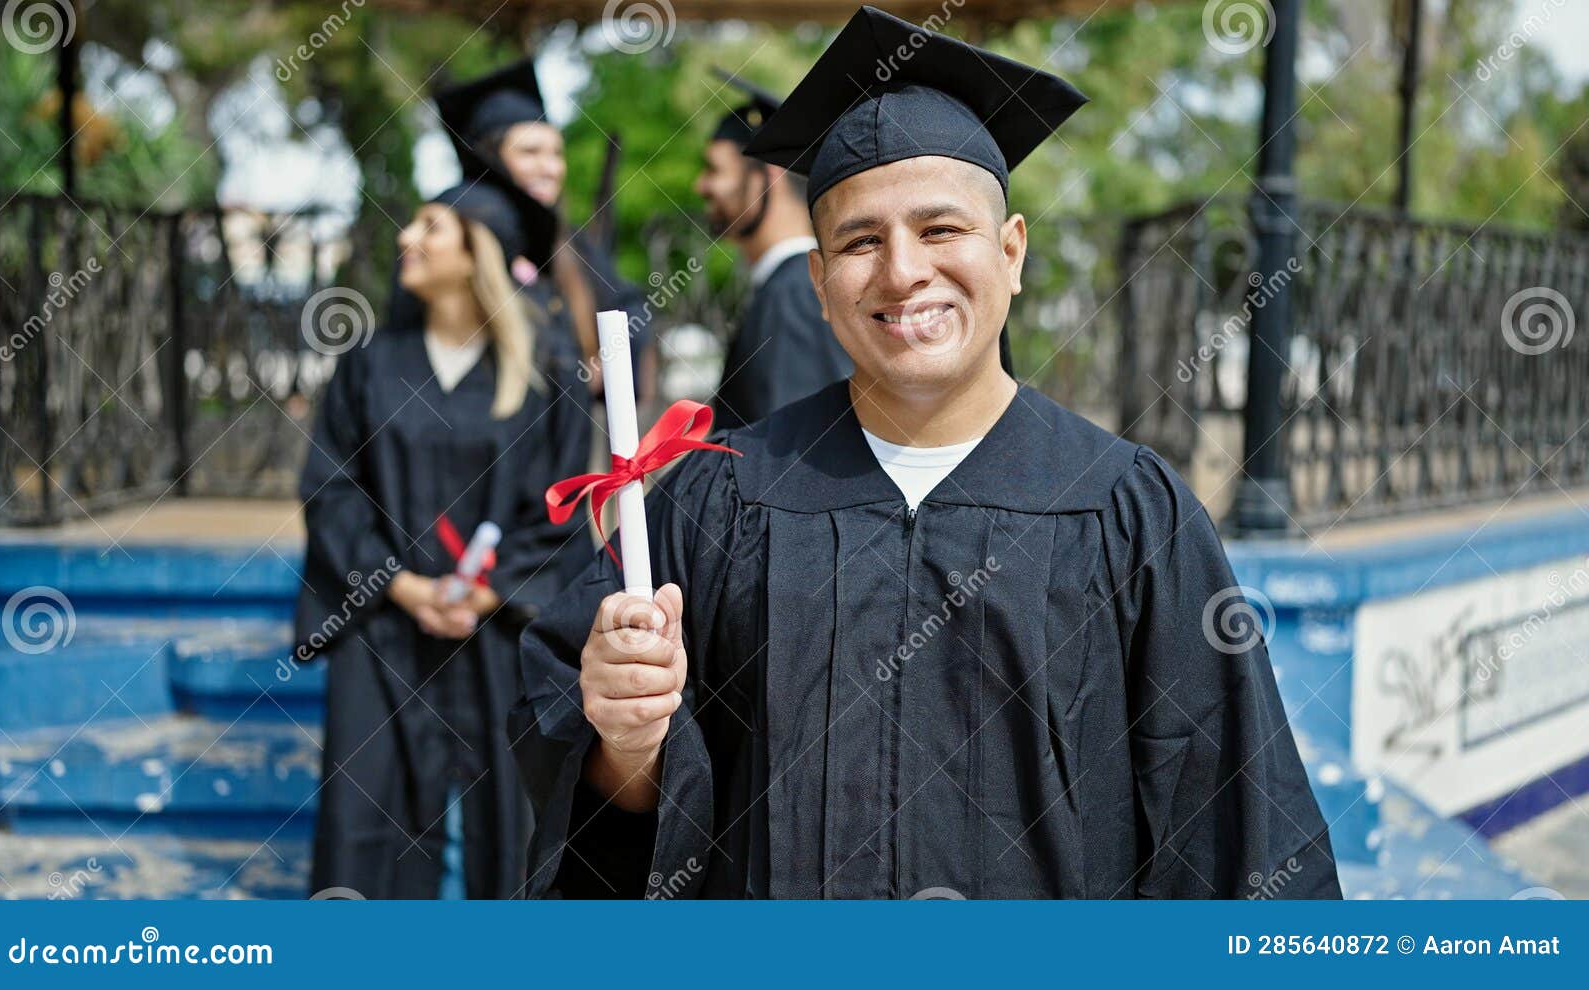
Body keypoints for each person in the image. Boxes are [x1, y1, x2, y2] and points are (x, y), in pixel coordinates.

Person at [509, 6, 1340, 900]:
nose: (903, 271)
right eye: (861, 241)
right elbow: (604, 815)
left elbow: (1231, 829)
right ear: (822, 284)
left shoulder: (1129, 513)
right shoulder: (717, 500)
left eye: (941, 230)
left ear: (1012, 251)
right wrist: (625, 745)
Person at [299, 177, 593, 899]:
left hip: (498, 633)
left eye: (429, 226)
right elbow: (332, 490)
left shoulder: (544, 372)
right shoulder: (369, 364)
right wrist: (402, 586)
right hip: (385, 632)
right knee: (368, 822)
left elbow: (562, 508)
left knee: (513, 822)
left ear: (476, 252)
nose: (407, 238)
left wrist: (487, 590)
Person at [434, 59, 646, 388]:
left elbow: (627, 307)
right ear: (489, 158)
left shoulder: (577, 247)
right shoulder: (457, 241)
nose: (550, 168)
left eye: (556, 154)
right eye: (530, 152)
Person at [696, 69, 851, 429]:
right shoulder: (788, 286)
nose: (701, 185)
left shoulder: (795, 294)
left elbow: (791, 457)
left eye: (714, 169)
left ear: (767, 177)